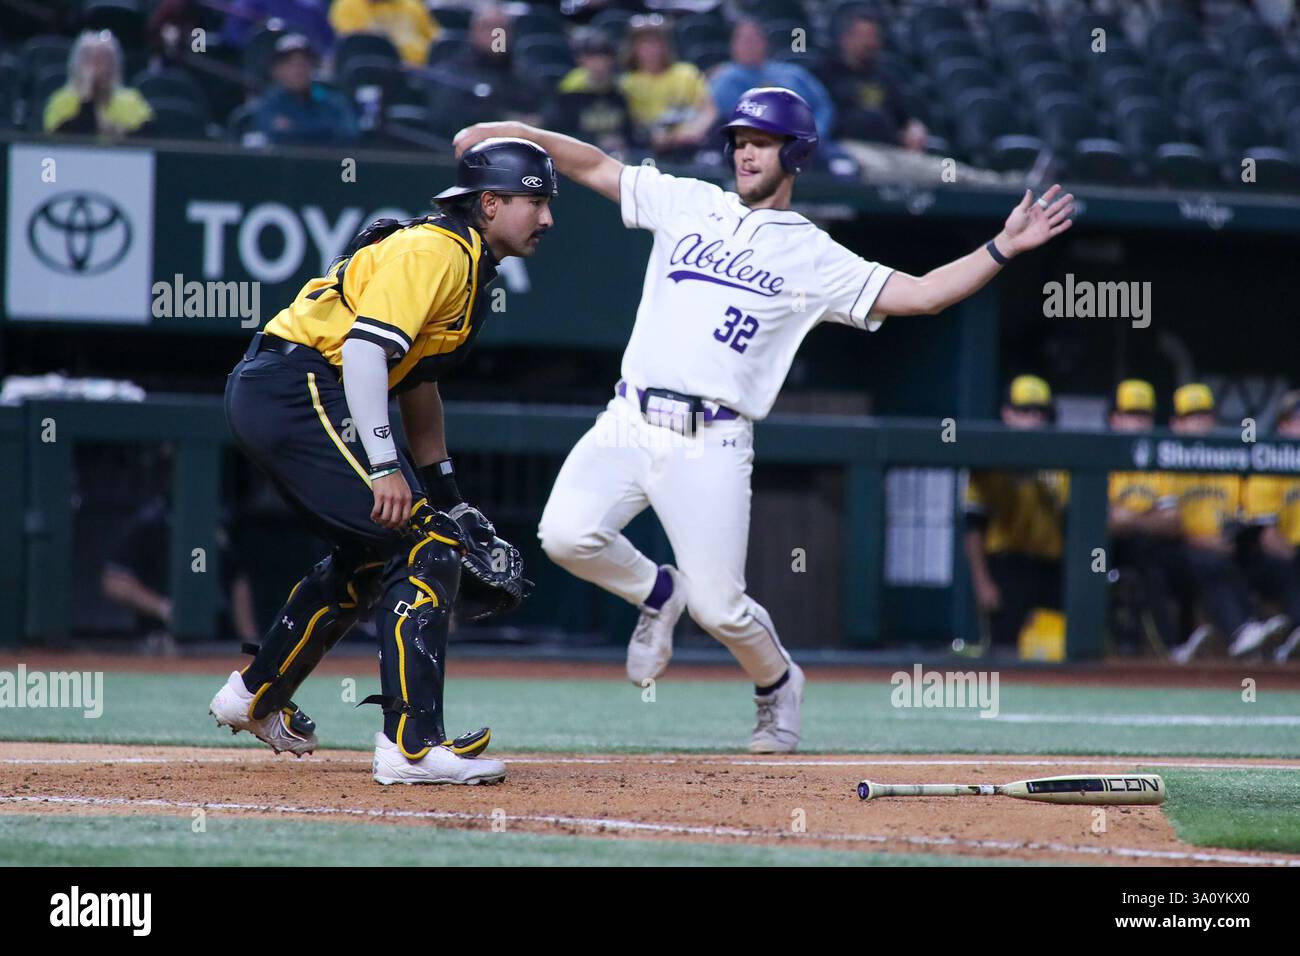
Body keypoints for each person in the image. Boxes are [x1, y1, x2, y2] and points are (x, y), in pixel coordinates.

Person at [454, 88, 1074, 752]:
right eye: (740, 142)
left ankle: (778, 683)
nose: (745, 153)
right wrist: (522, 127)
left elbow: (919, 296)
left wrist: (1002, 248)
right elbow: (594, 166)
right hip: (629, 419)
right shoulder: (691, 202)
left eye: (761, 142)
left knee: (721, 608)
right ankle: (658, 592)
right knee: (566, 536)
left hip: (713, 439)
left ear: (797, 152)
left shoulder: (813, 253)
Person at [208, 138, 554, 785]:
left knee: (375, 551)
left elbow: (420, 385)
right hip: (297, 385)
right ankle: (412, 747)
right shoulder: (438, 250)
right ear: (489, 203)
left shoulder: (469, 261)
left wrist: (447, 492)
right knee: (426, 548)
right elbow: (367, 354)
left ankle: (254, 694)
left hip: (292, 389)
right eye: (534, 201)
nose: (547, 218)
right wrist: (384, 467)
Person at [1165, 384, 1287, 663]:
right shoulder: (1164, 459)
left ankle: (1266, 636)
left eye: (1204, 416)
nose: (1200, 423)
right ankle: (1241, 631)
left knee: (1264, 559)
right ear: (1176, 423)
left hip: (1223, 549)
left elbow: (1242, 515)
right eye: (1191, 417)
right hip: (1180, 553)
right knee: (1207, 561)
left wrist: (1235, 536)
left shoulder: (1226, 459)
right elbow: (1164, 523)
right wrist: (1202, 541)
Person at [963, 375, 1069, 653]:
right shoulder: (987, 460)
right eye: (1024, 411)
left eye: (1039, 412)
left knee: (1055, 653)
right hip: (1005, 568)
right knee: (1004, 653)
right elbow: (973, 526)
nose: (1033, 419)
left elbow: (1077, 521)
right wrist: (982, 583)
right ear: (1007, 413)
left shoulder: (1065, 458)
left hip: (1051, 568)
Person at [102, 496, 258, 651]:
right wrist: (164, 608)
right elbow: (114, 582)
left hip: (216, 641)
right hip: (157, 638)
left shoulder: (218, 522)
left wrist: (250, 641)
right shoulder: (151, 521)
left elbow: (238, 582)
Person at [1105, 379, 1181, 652]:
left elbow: (1173, 523)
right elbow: (1106, 523)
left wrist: (1133, 519)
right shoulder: (1099, 453)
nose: (1139, 422)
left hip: (1149, 547)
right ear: (1114, 418)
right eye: (1131, 414)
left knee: (1155, 558)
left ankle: (1171, 648)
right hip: (1104, 550)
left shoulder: (1160, 458)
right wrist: (1149, 517)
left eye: (1144, 415)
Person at [1239, 390, 1300, 662]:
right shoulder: (1269, 462)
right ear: (1283, 425)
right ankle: (1292, 636)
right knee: (1286, 568)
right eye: (1298, 419)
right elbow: (1268, 539)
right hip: (1274, 557)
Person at [710, 19, 835, 145]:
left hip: (809, 143)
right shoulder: (725, 79)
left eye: (754, 39)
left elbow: (823, 106)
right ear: (733, 46)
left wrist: (816, 133)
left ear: (765, 43)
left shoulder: (792, 73)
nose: (750, 45)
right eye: (744, 40)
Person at [815, 12, 927, 151]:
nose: (871, 43)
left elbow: (906, 118)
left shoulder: (884, 76)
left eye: (874, 37)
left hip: (892, 150)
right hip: (848, 149)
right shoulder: (825, 73)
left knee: (957, 172)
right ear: (845, 38)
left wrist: (914, 128)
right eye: (864, 36)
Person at [617, 14, 716, 156]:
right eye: (644, 43)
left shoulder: (686, 73)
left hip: (689, 145)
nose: (651, 49)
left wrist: (694, 131)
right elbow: (632, 125)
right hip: (648, 149)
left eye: (656, 42)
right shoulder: (626, 83)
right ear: (633, 48)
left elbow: (709, 110)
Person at [438, 3, 541, 124]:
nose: (497, 35)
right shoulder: (454, 72)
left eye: (503, 29)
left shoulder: (522, 71)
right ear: (475, 31)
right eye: (489, 27)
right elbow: (447, 116)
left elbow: (543, 106)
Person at [253, 33, 358, 145]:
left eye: (303, 63)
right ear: (277, 70)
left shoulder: (328, 98)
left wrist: (294, 129)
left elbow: (349, 134)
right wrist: (323, 130)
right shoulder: (269, 102)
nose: (298, 70)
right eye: (290, 64)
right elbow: (272, 135)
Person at [44, 30, 153, 137]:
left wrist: (117, 130)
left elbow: (150, 136)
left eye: (105, 59)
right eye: (90, 58)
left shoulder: (132, 100)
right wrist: (87, 100)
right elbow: (58, 139)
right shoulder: (60, 100)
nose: (97, 67)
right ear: (77, 64)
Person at [548, 27, 638, 154]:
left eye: (603, 57)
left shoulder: (619, 95)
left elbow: (630, 133)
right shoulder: (570, 96)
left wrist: (621, 140)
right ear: (581, 60)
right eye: (592, 57)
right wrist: (596, 141)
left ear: (611, 60)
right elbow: (561, 134)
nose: (598, 63)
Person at [328, 0, 438, 66]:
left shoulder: (412, 5)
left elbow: (436, 40)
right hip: (382, 74)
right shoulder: (348, 6)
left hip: (426, 71)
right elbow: (357, 49)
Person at [223, 0, 334, 54]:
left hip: (309, 69)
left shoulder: (311, 6)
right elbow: (232, 36)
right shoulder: (250, 3)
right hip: (262, 73)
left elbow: (328, 44)